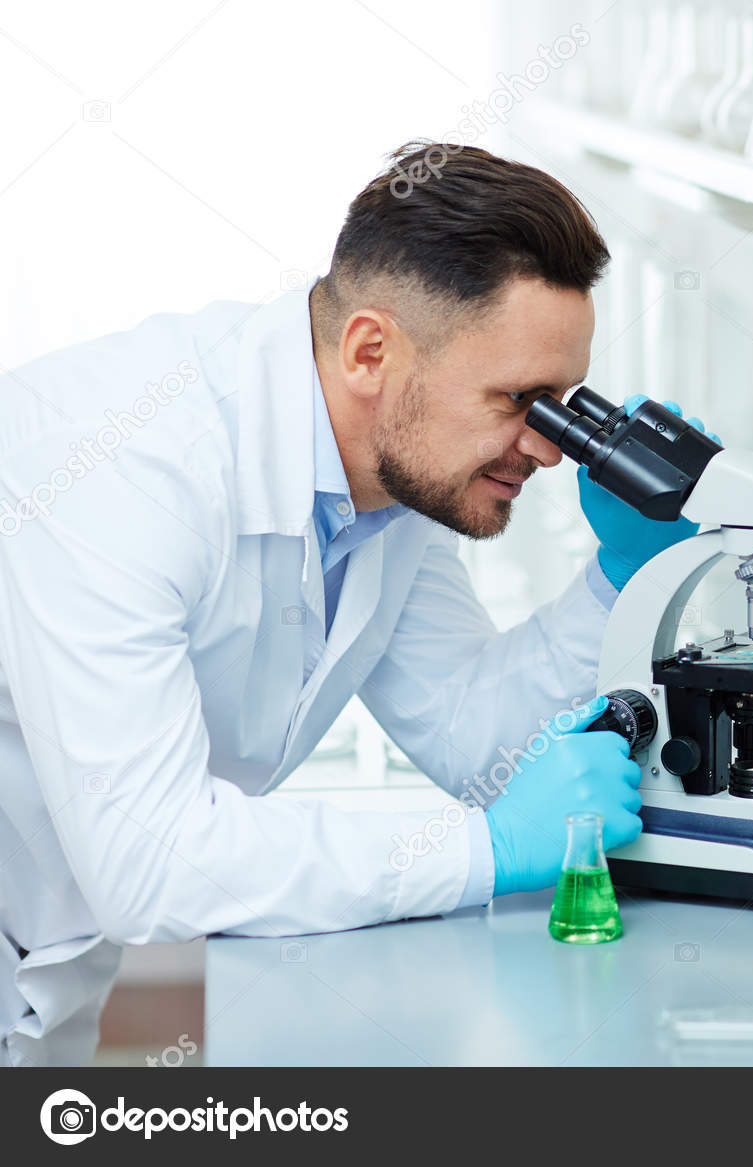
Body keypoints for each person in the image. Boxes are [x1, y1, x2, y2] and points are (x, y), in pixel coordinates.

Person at [0, 141, 705, 1065]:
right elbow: (153, 858)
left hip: (50, 967)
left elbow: (473, 738)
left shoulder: (387, 484)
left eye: (564, 403)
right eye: (521, 399)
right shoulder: (123, 465)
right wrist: (481, 850)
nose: (546, 448)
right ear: (371, 349)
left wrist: (623, 573)